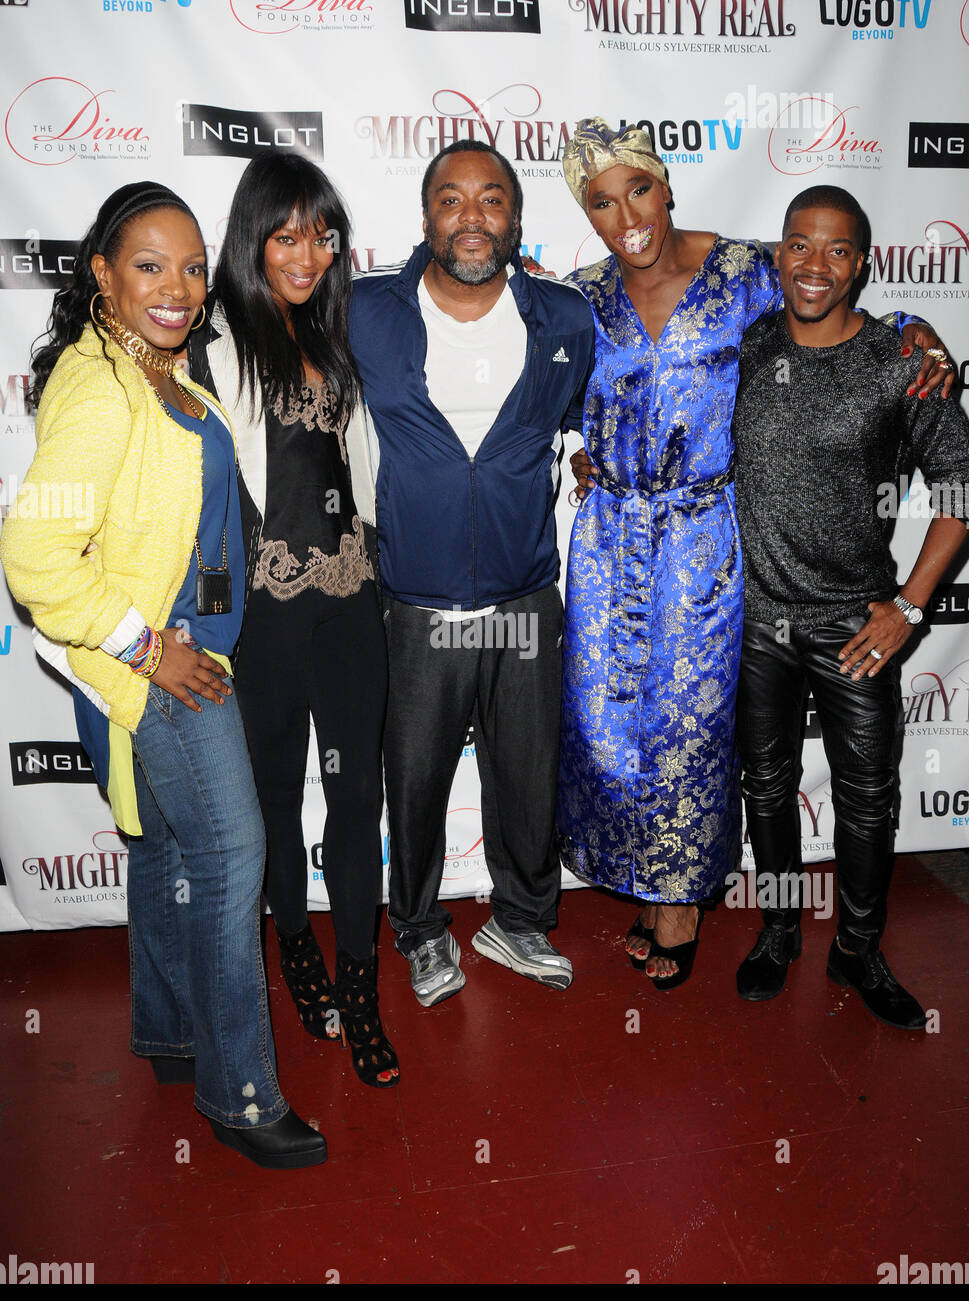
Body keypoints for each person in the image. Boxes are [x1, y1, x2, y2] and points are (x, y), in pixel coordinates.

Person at [558, 118, 954, 991]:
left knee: (695, 733)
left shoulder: (742, 272)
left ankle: (698, 906)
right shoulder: (577, 294)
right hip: (611, 540)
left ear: (666, 187)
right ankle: (659, 879)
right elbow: (539, 388)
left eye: (637, 188)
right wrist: (581, 451)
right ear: (584, 213)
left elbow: (830, 303)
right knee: (615, 726)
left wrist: (914, 330)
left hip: (706, 541)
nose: (624, 213)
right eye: (599, 200)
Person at [0, 182, 325, 1167]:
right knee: (233, 858)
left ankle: (173, 1034)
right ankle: (239, 1094)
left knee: (165, 854)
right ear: (102, 272)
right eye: (151, 265)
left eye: (191, 267)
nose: (179, 287)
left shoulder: (163, 368)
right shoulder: (100, 389)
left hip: (178, 653)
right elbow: (35, 558)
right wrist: (151, 647)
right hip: (159, 670)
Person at [348, 140, 595, 1006]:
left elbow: (573, 428)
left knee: (527, 772)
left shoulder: (563, 319)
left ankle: (520, 922)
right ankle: (418, 932)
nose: (471, 217)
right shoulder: (366, 311)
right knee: (411, 780)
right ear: (425, 218)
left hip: (526, 592)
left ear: (514, 218)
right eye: (450, 200)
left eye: (491, 200)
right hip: (415, 601)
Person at [731, 185, 969, 1028]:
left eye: (836, 250)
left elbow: (958, 491)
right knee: (766, 784)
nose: (814, 265)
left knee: (868, 797)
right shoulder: (748, 343)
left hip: (853, 624)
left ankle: (858, 947)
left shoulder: (904, 361)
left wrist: (907, 606)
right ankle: (778, 929)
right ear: (777, 254)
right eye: (799, 245)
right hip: (755, 617)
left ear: (863, 263)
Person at [187, 153, 397, 1087]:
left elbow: (364, 471)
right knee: (272, 803)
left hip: (351, 609)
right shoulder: (210, 342)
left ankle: (360, 985)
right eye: (285, 235)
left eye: (321, 234)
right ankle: (295, 950)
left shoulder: (337, 334)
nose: (306, 252)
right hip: (262, 623)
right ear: (253, 238)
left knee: (356, 802)